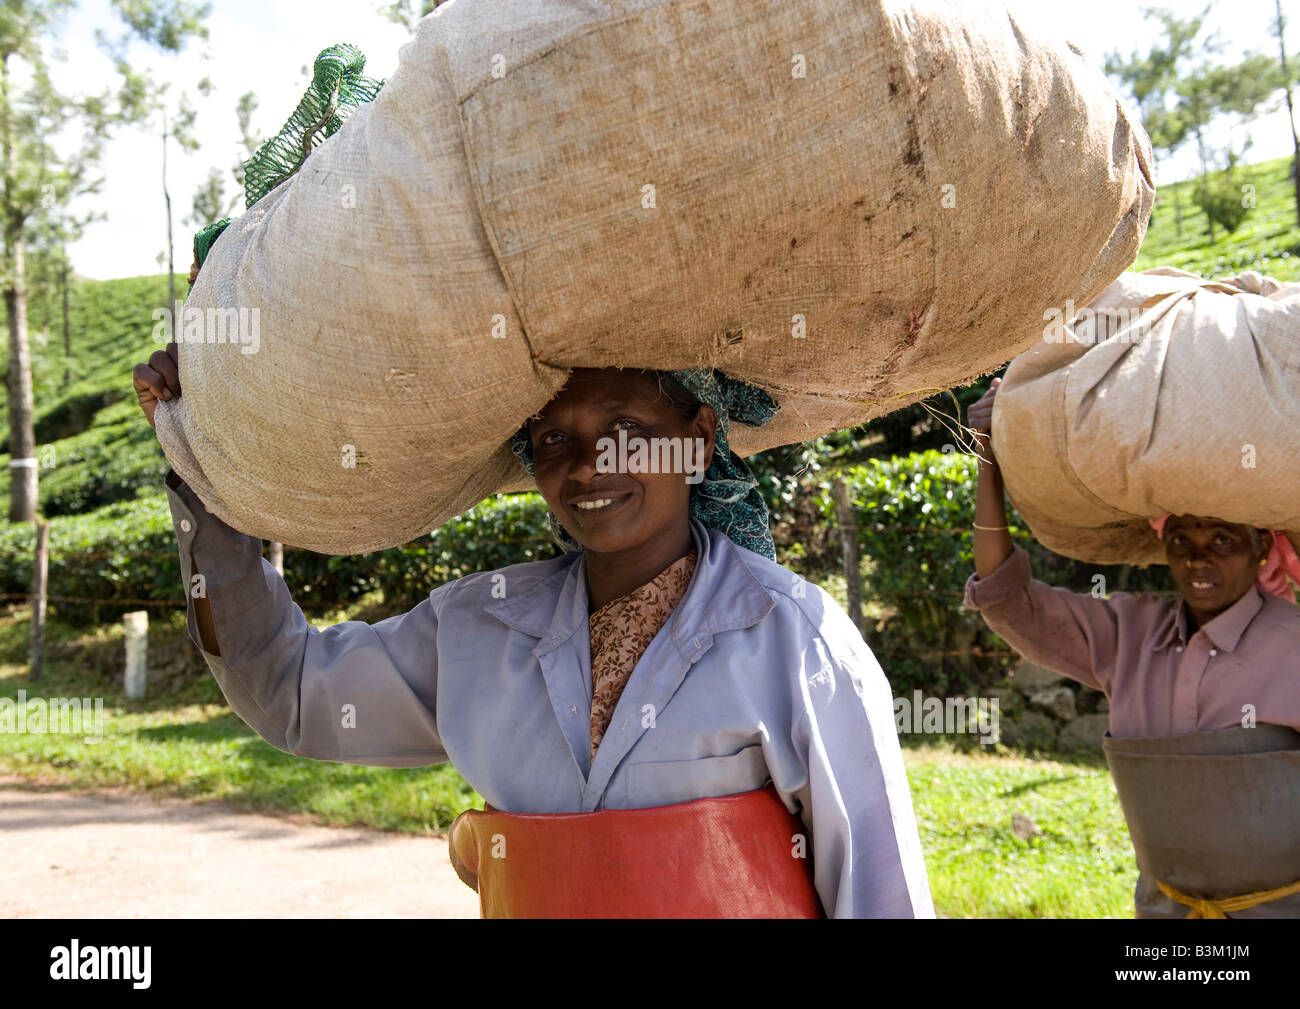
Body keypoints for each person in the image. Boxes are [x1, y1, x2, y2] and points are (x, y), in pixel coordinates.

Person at [132, 344, 935, 919]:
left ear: (695, 439)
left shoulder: (795, 640)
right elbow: (293, 695)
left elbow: (882, 897)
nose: (588, 465)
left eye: (625, 425)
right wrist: (198, 472)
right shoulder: (477, 629)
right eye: (555, 438)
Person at [963, 377, 1300, 918]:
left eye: (1223, 540)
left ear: (1262, 549)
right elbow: (1006, 597)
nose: (1198, 559)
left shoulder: (1294, 647)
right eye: (1181, 541)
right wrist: (989, 458)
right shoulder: (1130, 634)